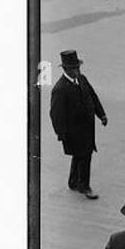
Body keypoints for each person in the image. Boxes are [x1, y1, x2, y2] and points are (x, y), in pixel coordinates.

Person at [49, 49, 107, 199]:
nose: (77, 71)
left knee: (79, 155)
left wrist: (101, 114)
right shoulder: (60, 89)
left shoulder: (82, 79)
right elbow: (56, 114)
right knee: (84, 156)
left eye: (78, 67)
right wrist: (61, 134)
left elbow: (93, 97)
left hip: (87, 128)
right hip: (73, 132)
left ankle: (73, 181)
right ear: (66, 69)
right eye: (74, 68)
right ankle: (84, 186)